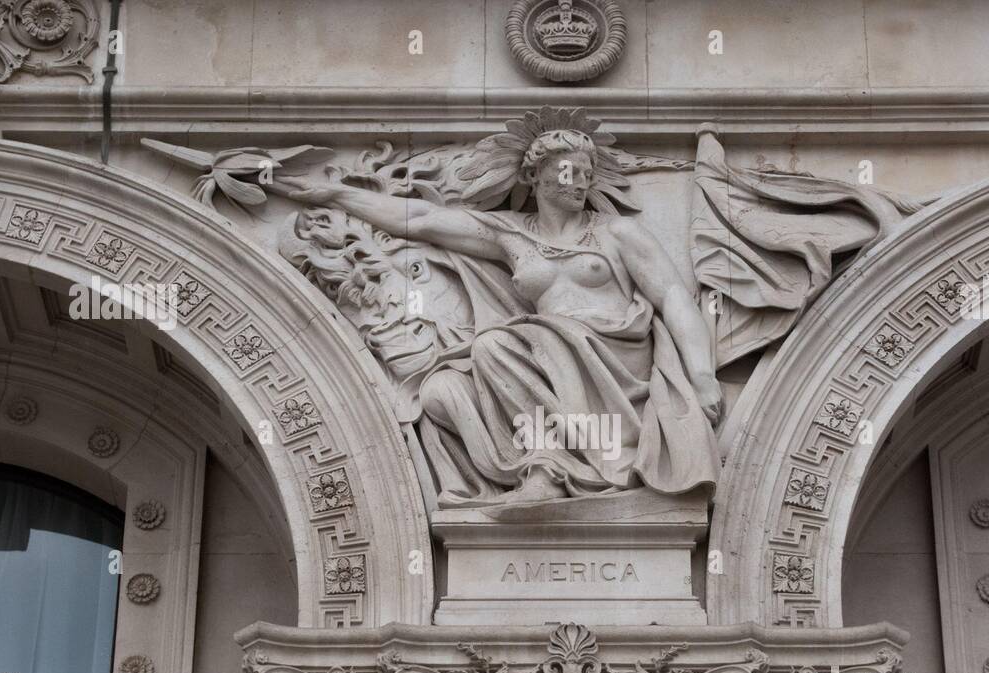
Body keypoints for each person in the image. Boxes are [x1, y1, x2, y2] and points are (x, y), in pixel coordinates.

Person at [279, 126, 721, 506]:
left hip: (617, 356)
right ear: (534, 176)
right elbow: (423, 218)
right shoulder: (510, 235)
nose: (579, 181)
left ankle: (558, 464)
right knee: (491, 347)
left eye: (587, 173)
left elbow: (675, 298)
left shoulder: (616, 232)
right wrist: (339, 194)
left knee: (513, 341)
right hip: (545, 352)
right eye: (567, 170)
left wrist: (702, 377)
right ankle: (545, 466)